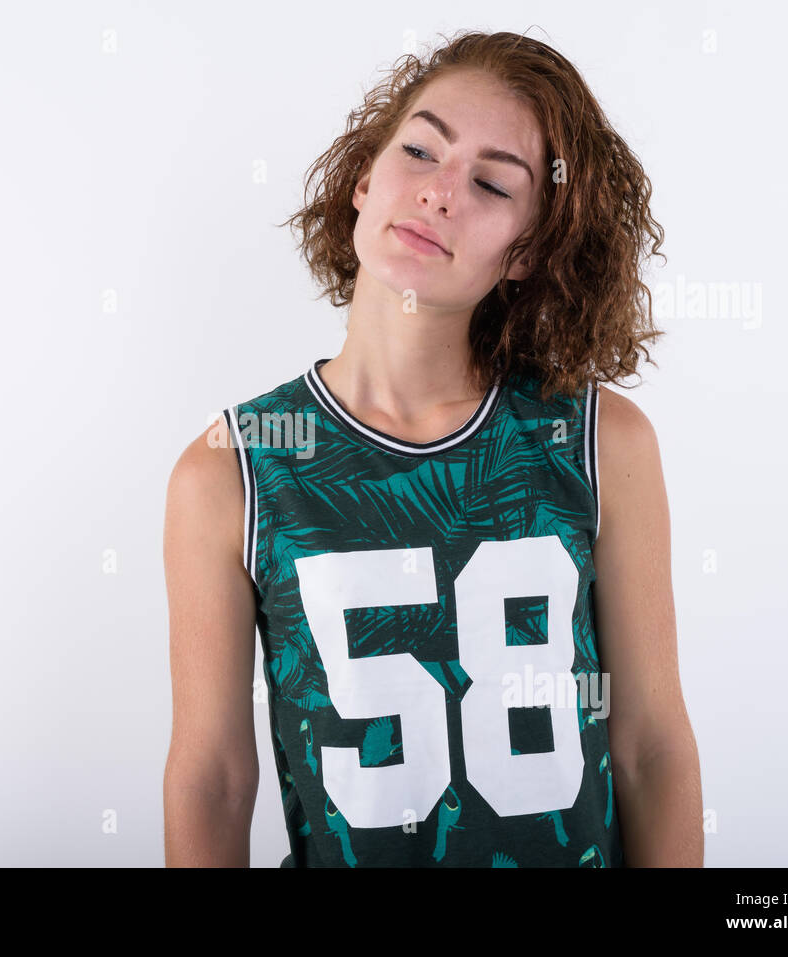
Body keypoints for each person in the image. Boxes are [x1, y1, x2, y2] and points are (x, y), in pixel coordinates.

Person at [163, 29, 702, 867]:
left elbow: (650, 746)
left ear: (526, 251)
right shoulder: (232, 466)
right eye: (420, 150)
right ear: (363, 179)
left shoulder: (599, 442)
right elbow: (215, 778)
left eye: (491, 182)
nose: (440, 193)